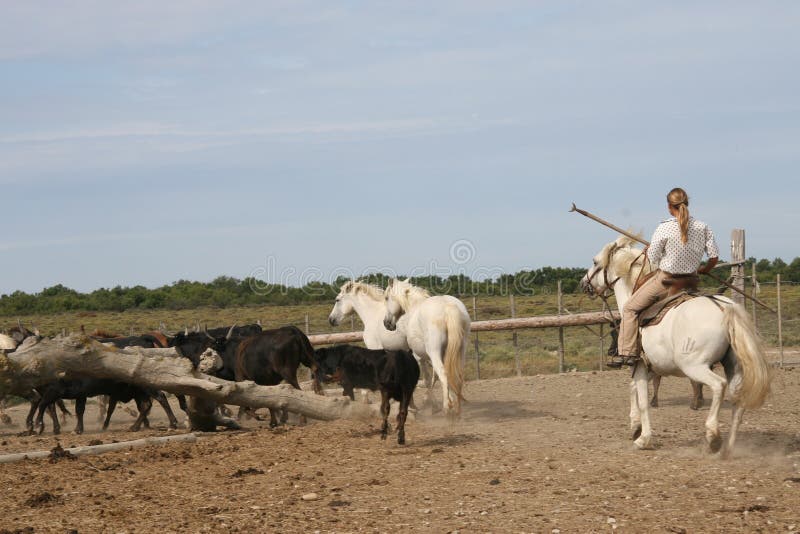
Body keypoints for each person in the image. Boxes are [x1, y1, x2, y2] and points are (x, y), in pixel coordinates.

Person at [608, 187, 720, 368]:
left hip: (666, 281)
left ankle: (626, 353)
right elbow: (714, 257)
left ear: (669, 206)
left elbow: (652, 259)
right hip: (691, 281)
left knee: (629, 309)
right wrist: (704, 269)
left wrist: (650, 249)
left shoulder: (664, 227)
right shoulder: (703, 226)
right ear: (687, 204)